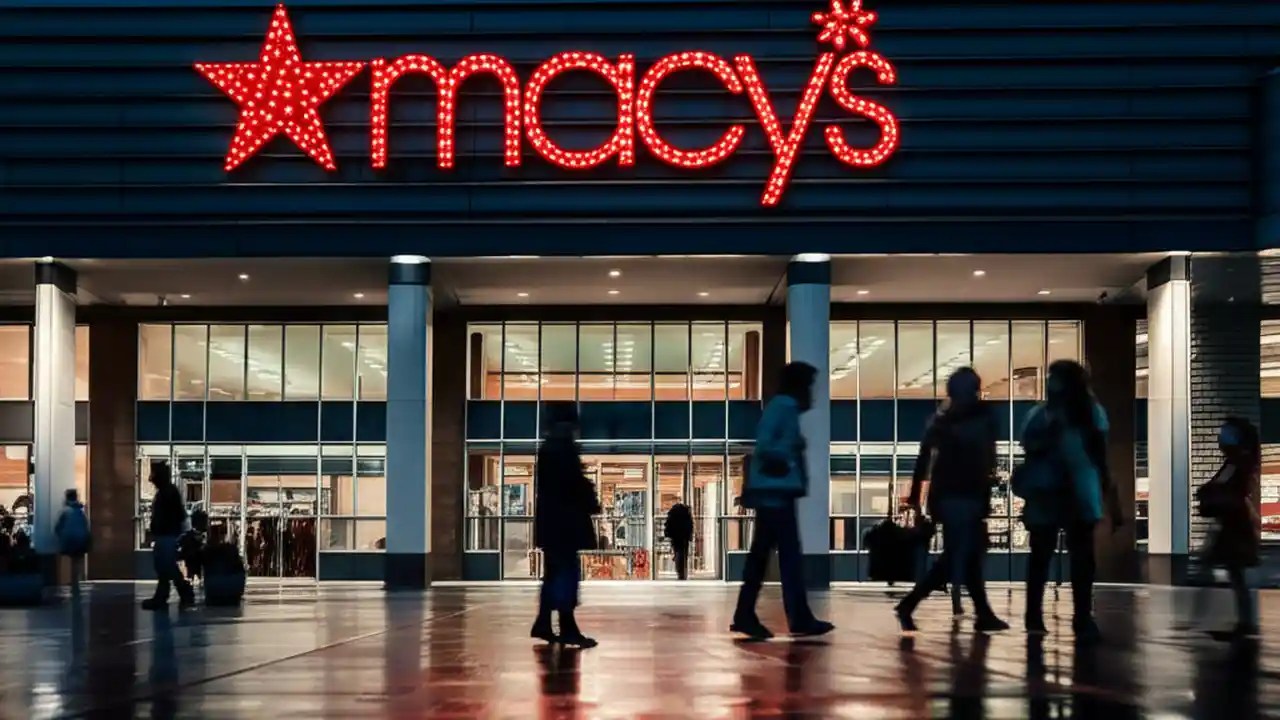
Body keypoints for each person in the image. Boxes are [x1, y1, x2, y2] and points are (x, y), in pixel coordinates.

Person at [894, 368, 1009, 633]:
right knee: (963, 553)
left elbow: (923, 461)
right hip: (965, 494)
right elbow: (988, 458)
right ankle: (914, 604)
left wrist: (916, 499)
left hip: (948, 495)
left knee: (963, 553)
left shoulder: (942, 421)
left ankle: (979, 611)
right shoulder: (981, 418)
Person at [1018, 359, 1121, 642]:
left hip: (1052, 492)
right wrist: (1109, 495)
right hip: (1076, 491)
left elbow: (1030, 448)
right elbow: (1099, 458)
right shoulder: (1088, 414)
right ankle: (1079, 617)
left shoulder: (1043, 415)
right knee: (1077, 557)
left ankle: (1040, 615)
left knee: (1046, 555)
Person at [731, 362, 834, 640]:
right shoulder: (784, 408)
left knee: (766, 556)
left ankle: (749, 613)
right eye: (810, 385)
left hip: (774, 493)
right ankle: (794, 617)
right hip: (777, 494)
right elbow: (766, 446)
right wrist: (789, 454)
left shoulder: (781, 407)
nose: (812, 392)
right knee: (786, 558)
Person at [530, 404, 602, 648]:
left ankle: (544, 622)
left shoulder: (549, 448)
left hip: (552, 524)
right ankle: (566, 626)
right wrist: (588, 494)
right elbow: (571, 486)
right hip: (564, 525)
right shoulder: (562, 449)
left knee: (554, 573)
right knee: (566, 573)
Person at [1188, 417, 1261, 639]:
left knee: (1231, 570)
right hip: (1229, 525)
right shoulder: (1235, 462)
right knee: (1233, 572)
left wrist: (1208, 492)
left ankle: (1238, 621)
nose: (1221, 437)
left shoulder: (1238, 462)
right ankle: (1243, 621)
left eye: (1225, 433)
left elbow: (1227, 490)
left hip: (1233, 527)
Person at [142, 463, 196, 611]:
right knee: (165, 567)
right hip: (167, 534)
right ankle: (168, 595)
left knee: (166, 566)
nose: (151, 480)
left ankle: (179, 593)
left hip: (167, 535)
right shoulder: (168, 491)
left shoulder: (167, 493)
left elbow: (172, 515)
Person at [54, 488, 91, 595]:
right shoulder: (80, 512)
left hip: (68, 541)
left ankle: (71, 582)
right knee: (77, 562)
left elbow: (57, 527)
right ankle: (76, 583)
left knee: (70, 561)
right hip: (80, 541)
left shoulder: (65, 511)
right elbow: (86, 526)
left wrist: (61, 537)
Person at [664, 502, 694, 580]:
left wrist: (668, 534)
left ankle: (679, 571)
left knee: (677, 552)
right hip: (684, 537)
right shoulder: (686, 514)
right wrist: (690, 536)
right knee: (684, 554)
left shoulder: (673, 513)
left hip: (675, 536)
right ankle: (683, 572)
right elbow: (690, 526)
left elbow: (668, 525)